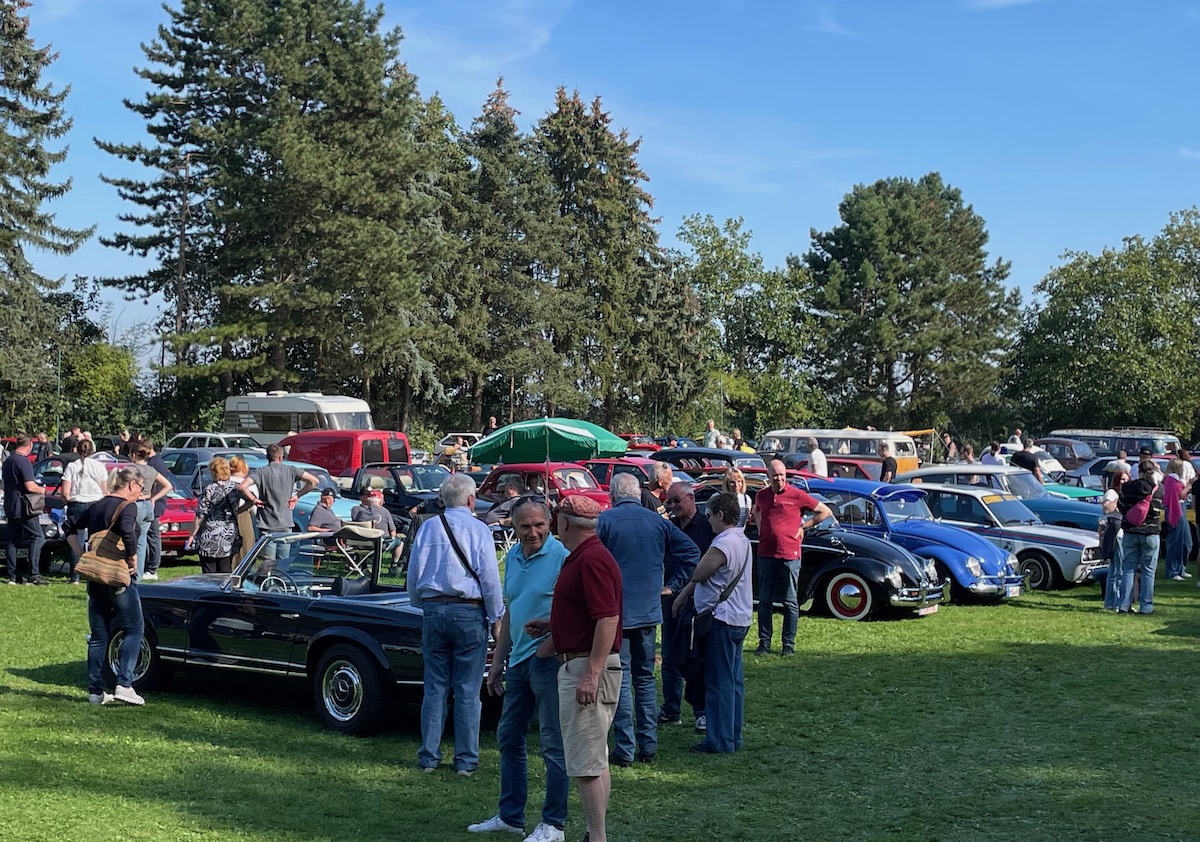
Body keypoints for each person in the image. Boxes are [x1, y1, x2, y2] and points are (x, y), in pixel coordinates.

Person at [468, 498, 569, 842]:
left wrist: (551, 643)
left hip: (549, 662)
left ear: (550, 522)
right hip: (519, 662)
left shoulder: (563, 557)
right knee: (508, 736)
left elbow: (577, 611)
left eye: (539, 524)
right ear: (513, 526)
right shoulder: (512, 556)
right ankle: (510, 816)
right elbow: (513, 608)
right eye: (524, 526)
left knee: (553, 744)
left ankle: (554, 824)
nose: (533, 532)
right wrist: (498, 660)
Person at [526, 494, 622, 842]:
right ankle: (593, 833)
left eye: (554, 521)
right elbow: (591, 615)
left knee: (585, 762)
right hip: (582, 660)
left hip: (585, 666)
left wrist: (591, 673)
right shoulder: (585, 557)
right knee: (595, 759)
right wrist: (555, 625)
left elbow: (607, 618)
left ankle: (596, 837)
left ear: (565, 523)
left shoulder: (590, 559)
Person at [597, 472, 698, 766]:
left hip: (616, 613)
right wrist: (673, 584)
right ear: (639, 494)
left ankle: (625, 748)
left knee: (622, 680)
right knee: (644, 680)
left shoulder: (604, 523)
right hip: (649, 611)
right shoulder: (658, 522)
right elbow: (691, 551)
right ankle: (648, 746)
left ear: (613, 496)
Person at [408, 473, 504, 775]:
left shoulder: (428, 527)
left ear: (442, 499)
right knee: (467, 688)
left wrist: (419, 602)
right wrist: (496, 614)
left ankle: (429, 757)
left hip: (435, 608)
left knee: (434, 687)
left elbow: (414, 571)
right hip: (469, 610)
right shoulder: (479, 529)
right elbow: (489, 576)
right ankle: (465, 760)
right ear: (471, 500)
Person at [672, 492, 753, 753]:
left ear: (720, 515)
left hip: (722, 618)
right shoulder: (742, 538)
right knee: (733, 681)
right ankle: (733, 735)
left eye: (709, 515)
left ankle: (719, 741)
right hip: (739, 617)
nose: (707, 520)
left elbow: (700, 571)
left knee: (718, 683)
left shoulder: (724, 542)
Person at [66, 466, 146, 706]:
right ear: (131, 485)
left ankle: (95, 691)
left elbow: (69, 528)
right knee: (134, 628)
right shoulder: (127, 506)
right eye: (140, 488)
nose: (140, 493)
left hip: (95, 577)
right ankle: (124, 684)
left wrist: (81, 555)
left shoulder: (97, 505)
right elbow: (128, 532)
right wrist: (132, 557)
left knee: (99, 636)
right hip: (116, 575)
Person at [753, 459, 832, 655]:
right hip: (766, 554)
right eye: (775, 476)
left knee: (789, 601)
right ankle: (764, 643)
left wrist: (803, 527)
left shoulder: (797, 495)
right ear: (768, 476)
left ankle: (788, 645)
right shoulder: (761, 496)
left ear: (785, 476)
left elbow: (825, 511)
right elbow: (756, 510)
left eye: (781, 475)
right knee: (764, 601)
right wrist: (760, 526)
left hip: (789, 554)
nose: (778, 479)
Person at [659, 481, 712, 731]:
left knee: (694, 658)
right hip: (669, 600)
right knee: (669, 657)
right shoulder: (668, 527)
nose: (672, 506)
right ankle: (671, 709)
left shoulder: (706, 528)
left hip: (697, 601)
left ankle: (701, 712)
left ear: (691, 499)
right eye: (668, 501)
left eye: (676, 501)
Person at [239, 444, 319, 558]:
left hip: (267, 523)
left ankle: (269, 575)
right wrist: (297, 496)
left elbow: (242, 487)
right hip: (285, 523)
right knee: (283, 561)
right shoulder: (291, 470)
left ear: (267, 457)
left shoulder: (261, 472)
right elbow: (314, 481)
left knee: (268, 563)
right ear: (281, 457)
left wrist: (254, 500)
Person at [60, 439, 111, 584]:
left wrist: (67, 500)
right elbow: (104, 489)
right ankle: (96, 572)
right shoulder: (100, 466)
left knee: (76, 540)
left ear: (77, 450)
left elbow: (65, 492)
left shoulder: (71, 466)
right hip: (96, 504)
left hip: (77, 504)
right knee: (97, 539)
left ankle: (75, 576)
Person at [3, 434, 48, 585]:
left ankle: (13, 574)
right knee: (38, 537)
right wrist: (42, 490)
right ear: (29, 445)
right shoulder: (23, 462)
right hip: (25, 506)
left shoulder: (8, 460)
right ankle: (34, 573)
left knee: (13, 539)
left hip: (10, 504)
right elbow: (30, 485)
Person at [186, 457, 242, 574]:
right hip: (228, 534)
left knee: (208, 572)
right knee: (225, 570)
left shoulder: (209, 489)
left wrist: (192, 535)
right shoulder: (236, 487)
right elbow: (250, 499)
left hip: (210, 534)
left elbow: (200, 514)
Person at [1116, 471, 1161, 615]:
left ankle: (1124, 605)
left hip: (1130, 533)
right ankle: (1146, 606)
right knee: (1148, 571)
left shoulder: (1127, 489)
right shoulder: (1157, 490)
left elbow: (1121, 507)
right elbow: (1157, 512)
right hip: (1150, 534)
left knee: (1128, 569)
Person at [129, 446, 172, 579]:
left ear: (134, 455)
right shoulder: (151, 470)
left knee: (130, 539)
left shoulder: (131, 469)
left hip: (136, 504)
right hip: (148, 504)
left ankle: (132, 571)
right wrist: (154, 498)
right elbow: (168, 485)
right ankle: (139, 574)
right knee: (142, 541)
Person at [142, 438, 173, 581]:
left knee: (153, 536)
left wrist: (153, 498)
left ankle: (152, 568)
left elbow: (159, 485)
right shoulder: (156, 461)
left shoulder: (154, 462)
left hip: (154, 504)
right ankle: (148, 566)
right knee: (149, 536)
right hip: (153, 503)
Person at [351, 488, 402, 565]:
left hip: (361, 543)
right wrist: (393, 538)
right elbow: (393, 532)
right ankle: (394, 565)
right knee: (400, 543)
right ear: (381, 501)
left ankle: (363, 564)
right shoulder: (385, 511)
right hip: (381, 543)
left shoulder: (359, 512)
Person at [1163, 457, 1192, 581]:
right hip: (1176, 510)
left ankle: (1181, 568)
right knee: (1175, 542)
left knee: (1186, 542)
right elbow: (1179, 495)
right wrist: (1189, 485)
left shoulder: (1173, 479)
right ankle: (1173, 571)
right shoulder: (1171, 479)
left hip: (1180, 508)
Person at [227, 456, 257, 568]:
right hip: (243, 516)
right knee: (246, 547)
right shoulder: (249, 484)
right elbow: (254, 510)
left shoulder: (225, 482)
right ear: (244, 469)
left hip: (225, 517)